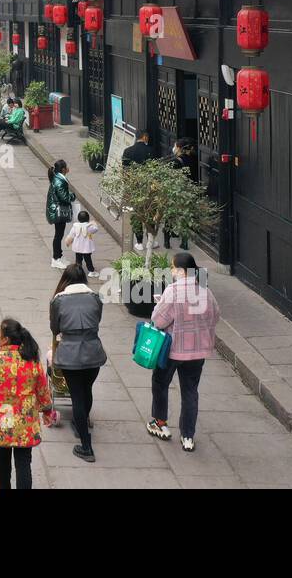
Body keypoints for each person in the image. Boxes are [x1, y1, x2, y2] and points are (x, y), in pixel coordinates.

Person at [148, 252, 220, 452]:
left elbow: (158, 321)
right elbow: (215, 316)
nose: (171, 272)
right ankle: (188, 436)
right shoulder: (206, 292)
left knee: (160, 383)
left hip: (172, 350)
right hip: (197, 353)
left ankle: (160, 423)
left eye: (172, 268)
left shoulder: (173, 291)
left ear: (180, 271)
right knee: (190, 392)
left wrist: (159, 303)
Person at [0, 318, 54, 490]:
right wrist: (47, 411)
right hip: (26, 423)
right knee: (24, 463)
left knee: (2, 460)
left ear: (5, 339)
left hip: (2, 422)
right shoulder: (32, 361)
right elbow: (42, 389)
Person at [50, 264, 106, 462]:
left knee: (77, 397)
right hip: (93, 353)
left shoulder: (58, 301)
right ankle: (81, 422)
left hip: (70, 355)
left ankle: (86, 446)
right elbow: (97, 320)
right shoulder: (95, 298)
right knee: (87, 390)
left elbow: (55, 328)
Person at [164, 138, 198, 249]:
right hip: (189, 191)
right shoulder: (194, 158)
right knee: (185, 216)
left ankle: (167, 241)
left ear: (178, 148)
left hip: (176, 191)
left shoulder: (175, 161)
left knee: (170, 215)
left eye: (175, 146)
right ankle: (184, 242)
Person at [122, 131, 151, 250]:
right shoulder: (151, 150)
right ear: (144, 137)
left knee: (136, 213)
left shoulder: (127, 151)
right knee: (149, 212)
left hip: (133, 187)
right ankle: (150, 239)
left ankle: (139, 242)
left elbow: (124, 171)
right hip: (147, 187)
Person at [46, 159, 74, 269]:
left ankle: (59, 255)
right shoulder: (59, 181)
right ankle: (56, 258)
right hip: (58, 212)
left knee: (60, 234)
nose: (68, 168)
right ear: (63, 169)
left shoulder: (58, 178)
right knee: (58, 235)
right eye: (66, 166)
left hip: (57, 210)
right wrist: (72, 196)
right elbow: (65, 197)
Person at [63, 209, 99, 274]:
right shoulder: (89, 227)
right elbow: (96, 229)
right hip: (86, 247)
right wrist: (93, 223)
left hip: (77, 247)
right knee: (88, 259)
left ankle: (78, 271)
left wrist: (68, 242)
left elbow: (71, 235)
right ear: (88, 219)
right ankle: (91, 271)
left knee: (78, 260)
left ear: (78, 219)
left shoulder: (75, 226)